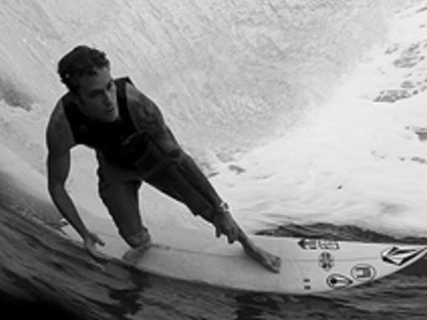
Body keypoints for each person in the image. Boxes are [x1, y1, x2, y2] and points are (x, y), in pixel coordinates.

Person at [45, 45, 281, 272]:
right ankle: (145, 243)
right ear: (77, 99)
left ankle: (250, 246)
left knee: (210, 211)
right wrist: (84, 233)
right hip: (114, 166)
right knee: (134, 240)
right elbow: (56, 185)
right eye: (96, 94)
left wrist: (221, 210)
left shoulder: (138, 105)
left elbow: (180, 159)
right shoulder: (62, 126)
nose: (109, 100)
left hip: (152, 156)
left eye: (109, 86)